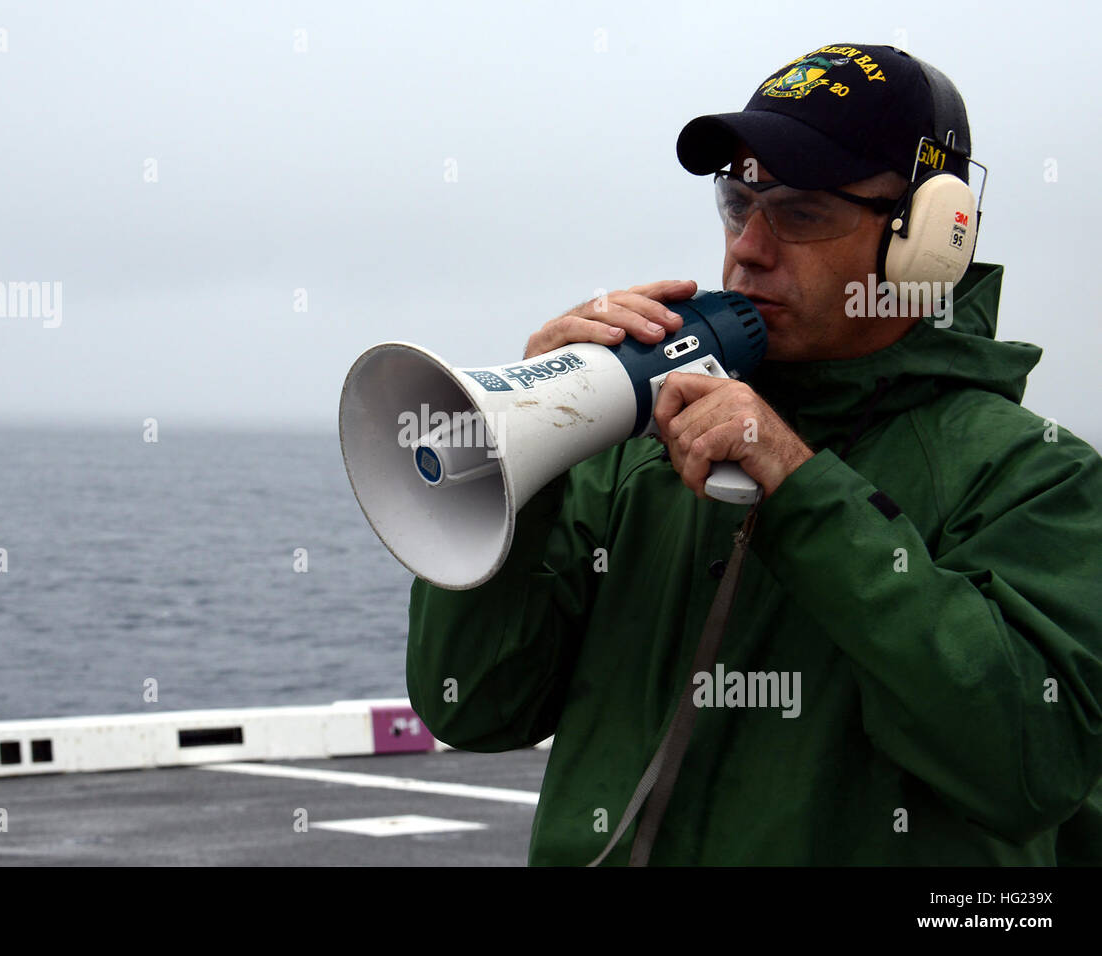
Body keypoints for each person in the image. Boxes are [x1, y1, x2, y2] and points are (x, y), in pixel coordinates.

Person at [405, 43, 1102, 865]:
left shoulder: (1034, 477)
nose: (750, 248)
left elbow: (1031, 763)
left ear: (928, 243)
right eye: (738, 203)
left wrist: (802, 493)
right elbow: (475, 707)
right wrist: (530, 457)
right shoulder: (636, 448)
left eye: (801, 212)